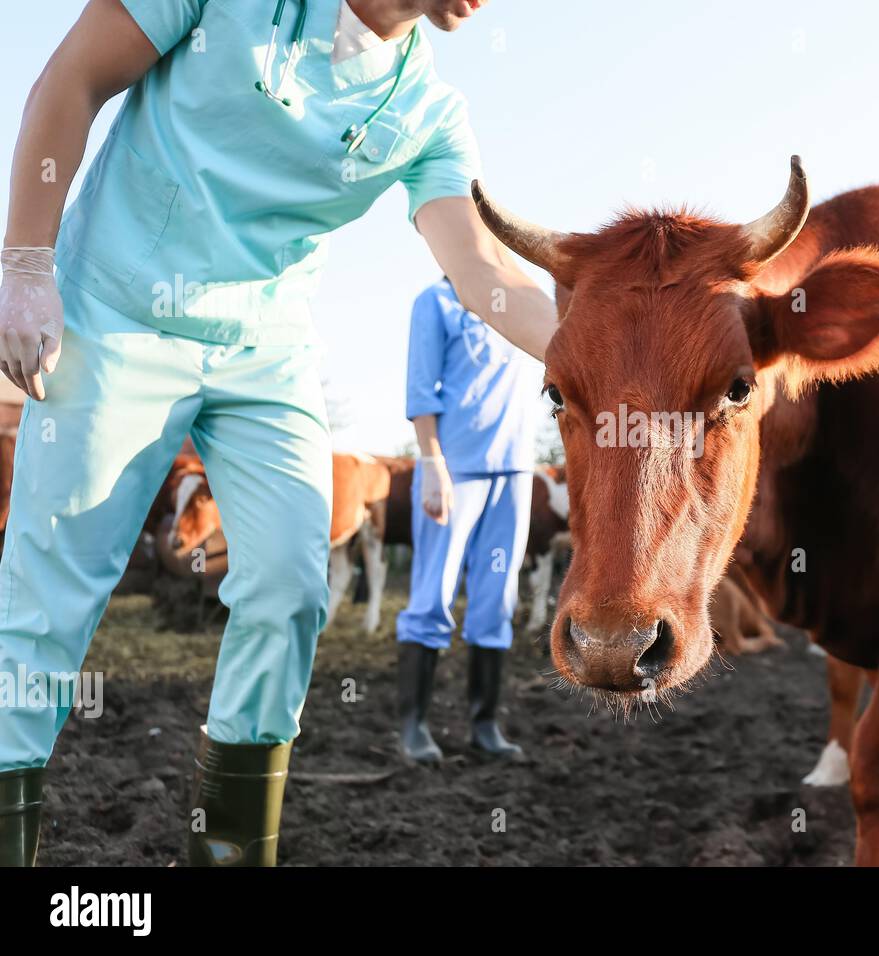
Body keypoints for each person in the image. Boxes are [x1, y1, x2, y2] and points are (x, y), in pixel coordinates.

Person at [0, 0, 556, 867]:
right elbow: (72, 78)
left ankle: (228, 851)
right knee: (46, 602)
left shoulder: (428, 114)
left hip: (265, 348)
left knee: (294, 590)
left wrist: (603, 356)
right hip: (118, 309)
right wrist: (27, 260)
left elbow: (484, 273)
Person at [397, 279, 539, 763]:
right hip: (453, 469)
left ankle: (484, 726)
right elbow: (421, 388)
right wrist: (431, 463)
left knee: (498, 598)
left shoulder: (526, 298)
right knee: (432, 593)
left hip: (515, 470)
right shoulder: (434, 302)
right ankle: (414, 727)